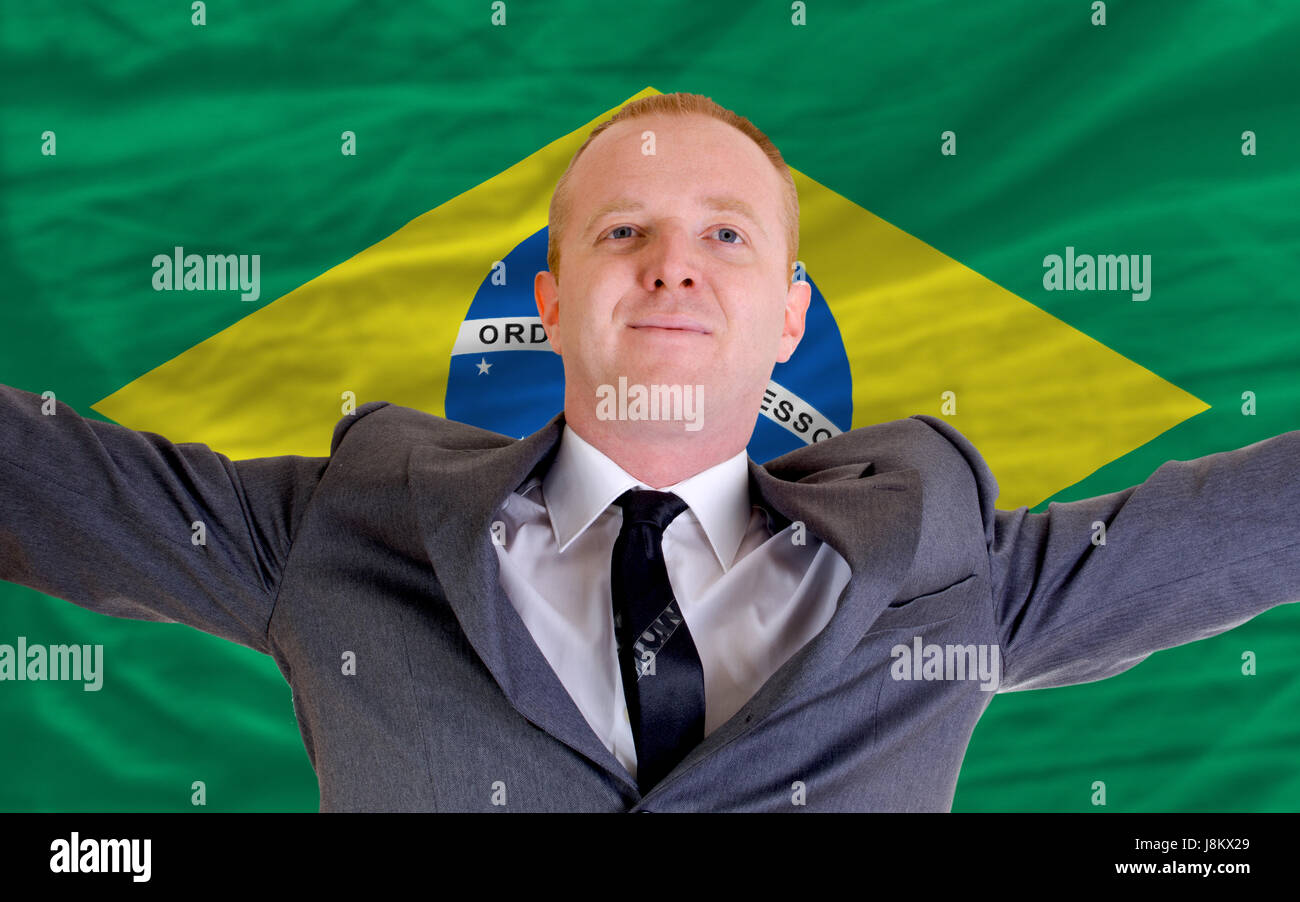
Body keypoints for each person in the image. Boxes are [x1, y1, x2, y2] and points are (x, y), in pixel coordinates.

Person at [1, 93, 1296, 811]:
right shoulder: (344, 533)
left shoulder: (947, 574)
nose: (674, 258)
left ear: (791, 314)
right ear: (550, 301)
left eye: (728, 234)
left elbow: (1253, 522)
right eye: (623, 231)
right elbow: (40, 481)